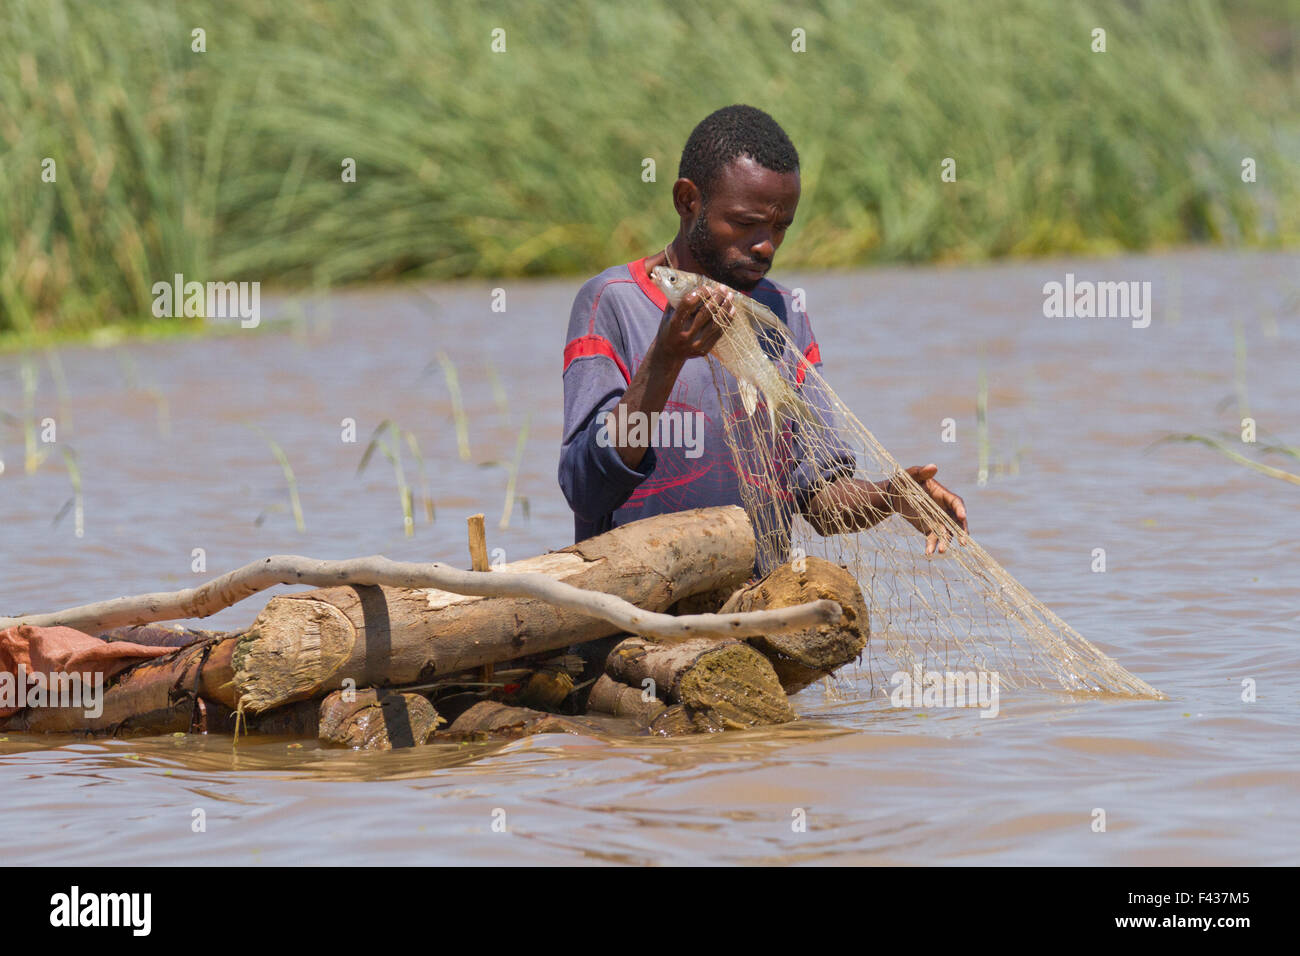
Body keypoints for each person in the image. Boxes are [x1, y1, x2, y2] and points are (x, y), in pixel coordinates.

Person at [558, 104, 967, 566]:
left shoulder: (784, 314)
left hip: (754, 606)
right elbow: (586, 489)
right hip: (638, 612)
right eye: (746, 223)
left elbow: (819, 497)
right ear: (687, 200)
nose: (766, 244)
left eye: (780, 226)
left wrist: (892, 495)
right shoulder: (611, 303)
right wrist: (666, 357)